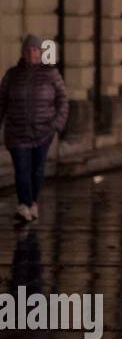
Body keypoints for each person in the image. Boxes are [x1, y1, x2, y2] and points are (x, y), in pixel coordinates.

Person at [0, 34, 68, 222]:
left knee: (36, 169)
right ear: (23, 52)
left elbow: (63, 100)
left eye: (35, 49)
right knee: (21, 168)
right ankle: (24, 205)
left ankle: (32, 202)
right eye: (28, 49)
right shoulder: (12, 75)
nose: (32, 53)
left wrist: (56, 124)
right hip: (17, 132)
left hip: (43, 132)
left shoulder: (51, 74)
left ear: (40, 52)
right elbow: (2, 102)